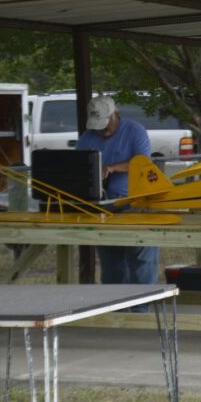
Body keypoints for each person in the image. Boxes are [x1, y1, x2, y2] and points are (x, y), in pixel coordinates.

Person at [76, 96, 159, 307]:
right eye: (98, 126)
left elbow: (142, 162)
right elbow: (78, 167)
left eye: (105, 124)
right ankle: (115, 309)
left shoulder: (135, 131)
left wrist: (111, 168)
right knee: (111, 261)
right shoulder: (87, 137)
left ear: (116, 115)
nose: (102, 130)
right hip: (104, 207)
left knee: (141, 259)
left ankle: (141, 311)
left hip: (136, 204)